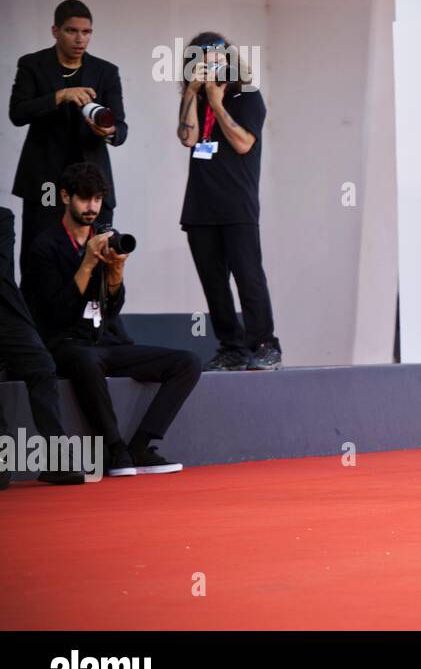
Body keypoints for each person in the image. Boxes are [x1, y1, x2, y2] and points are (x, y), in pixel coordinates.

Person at [20, 163, 200, 477]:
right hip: (64, 343)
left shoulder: (105, 237)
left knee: (188, 361)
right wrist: (88, 263)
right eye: (84, 199)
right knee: (87, 359)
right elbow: (56, 314)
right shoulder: (44, 246)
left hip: (105, 340)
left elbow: (111, 309)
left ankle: (140, 446)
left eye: (98, 199)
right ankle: (115, 450)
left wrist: (116, 271)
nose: (91, 207)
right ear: (65, 196)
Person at [175, 33, 282, 371]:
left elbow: (242, 143)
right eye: (203, 60)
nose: (212, 65)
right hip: (200, 205)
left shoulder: (247, 95)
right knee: (213, 282)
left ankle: (264, 343)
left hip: (236, 204)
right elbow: (187, 137)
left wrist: (218, 102)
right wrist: (193, 93)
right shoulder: (195, 98)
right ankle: (231, 347)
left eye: (217, 58)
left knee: (248, 276)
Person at [9, 0, 127, 255]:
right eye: (71, 31)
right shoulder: (33, 65)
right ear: (55, 31)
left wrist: (108, 132)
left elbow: (121, 129)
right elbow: (17, 113)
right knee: (39, 250)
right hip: (47, 181)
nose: (79, 39)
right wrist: (59, 96)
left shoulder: (106, 71)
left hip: (90, 181)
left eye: (86, 32)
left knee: (96, 254)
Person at [0, 206, 85, 488]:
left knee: (42, 364)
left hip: (8, 314)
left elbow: (2, 273)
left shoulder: (3, 217)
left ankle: (57, 459)